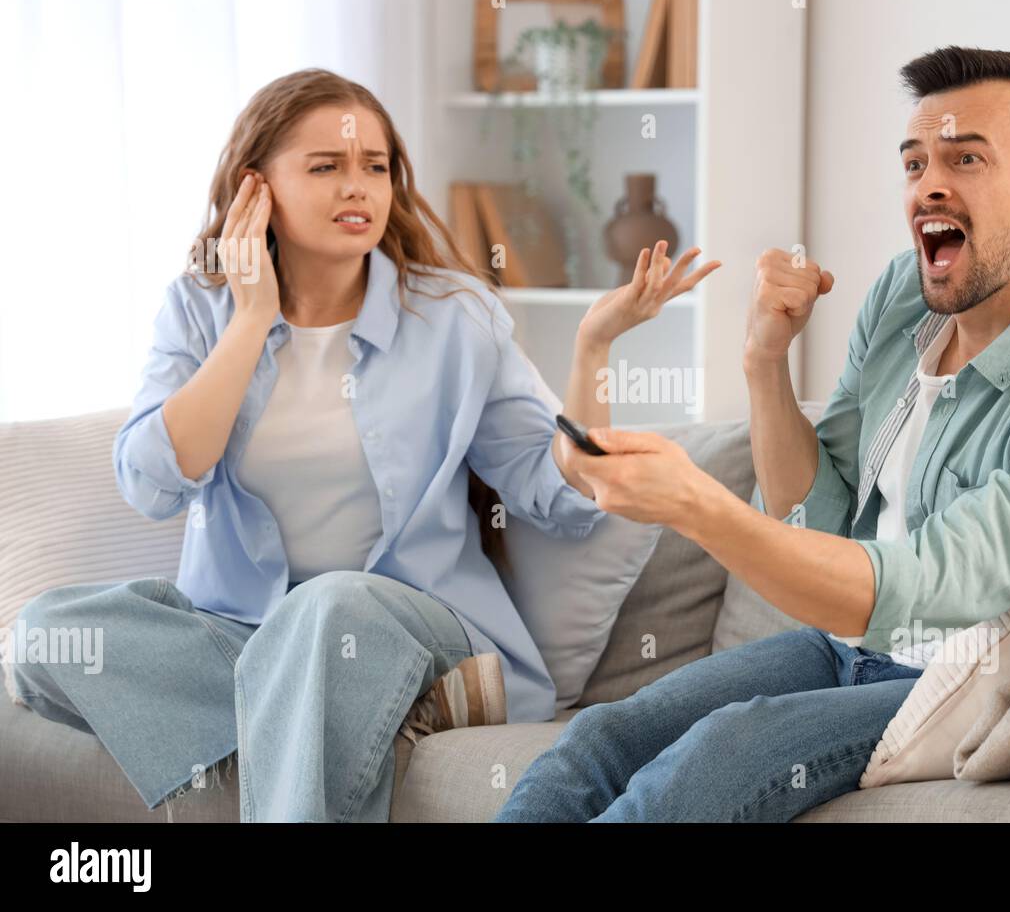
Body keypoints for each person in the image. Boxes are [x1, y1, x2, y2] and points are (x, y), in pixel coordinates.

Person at [494, 46, 1010, 822]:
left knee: (716, 756)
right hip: (853, 649)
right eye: (915, 163)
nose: (928, 186)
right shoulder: (906, 298)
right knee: (599, 739)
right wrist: (765, 359)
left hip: (979, 682)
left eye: (966, 158)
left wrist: (693, 504)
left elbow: (929, 585)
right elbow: (819, 518)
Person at [6, 67, 718, 822]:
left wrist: (593, 348)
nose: (358, 187)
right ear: (256, 189)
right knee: (47, 636)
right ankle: (339, 709)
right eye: (326, 167)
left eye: (375, 167)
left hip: (415, 626)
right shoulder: (198, 308)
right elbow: (151, 484)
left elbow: (562, 499)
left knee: (328, 605)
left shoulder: (454, 317)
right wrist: (250, 320)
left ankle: (341, 698)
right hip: (245, 632)